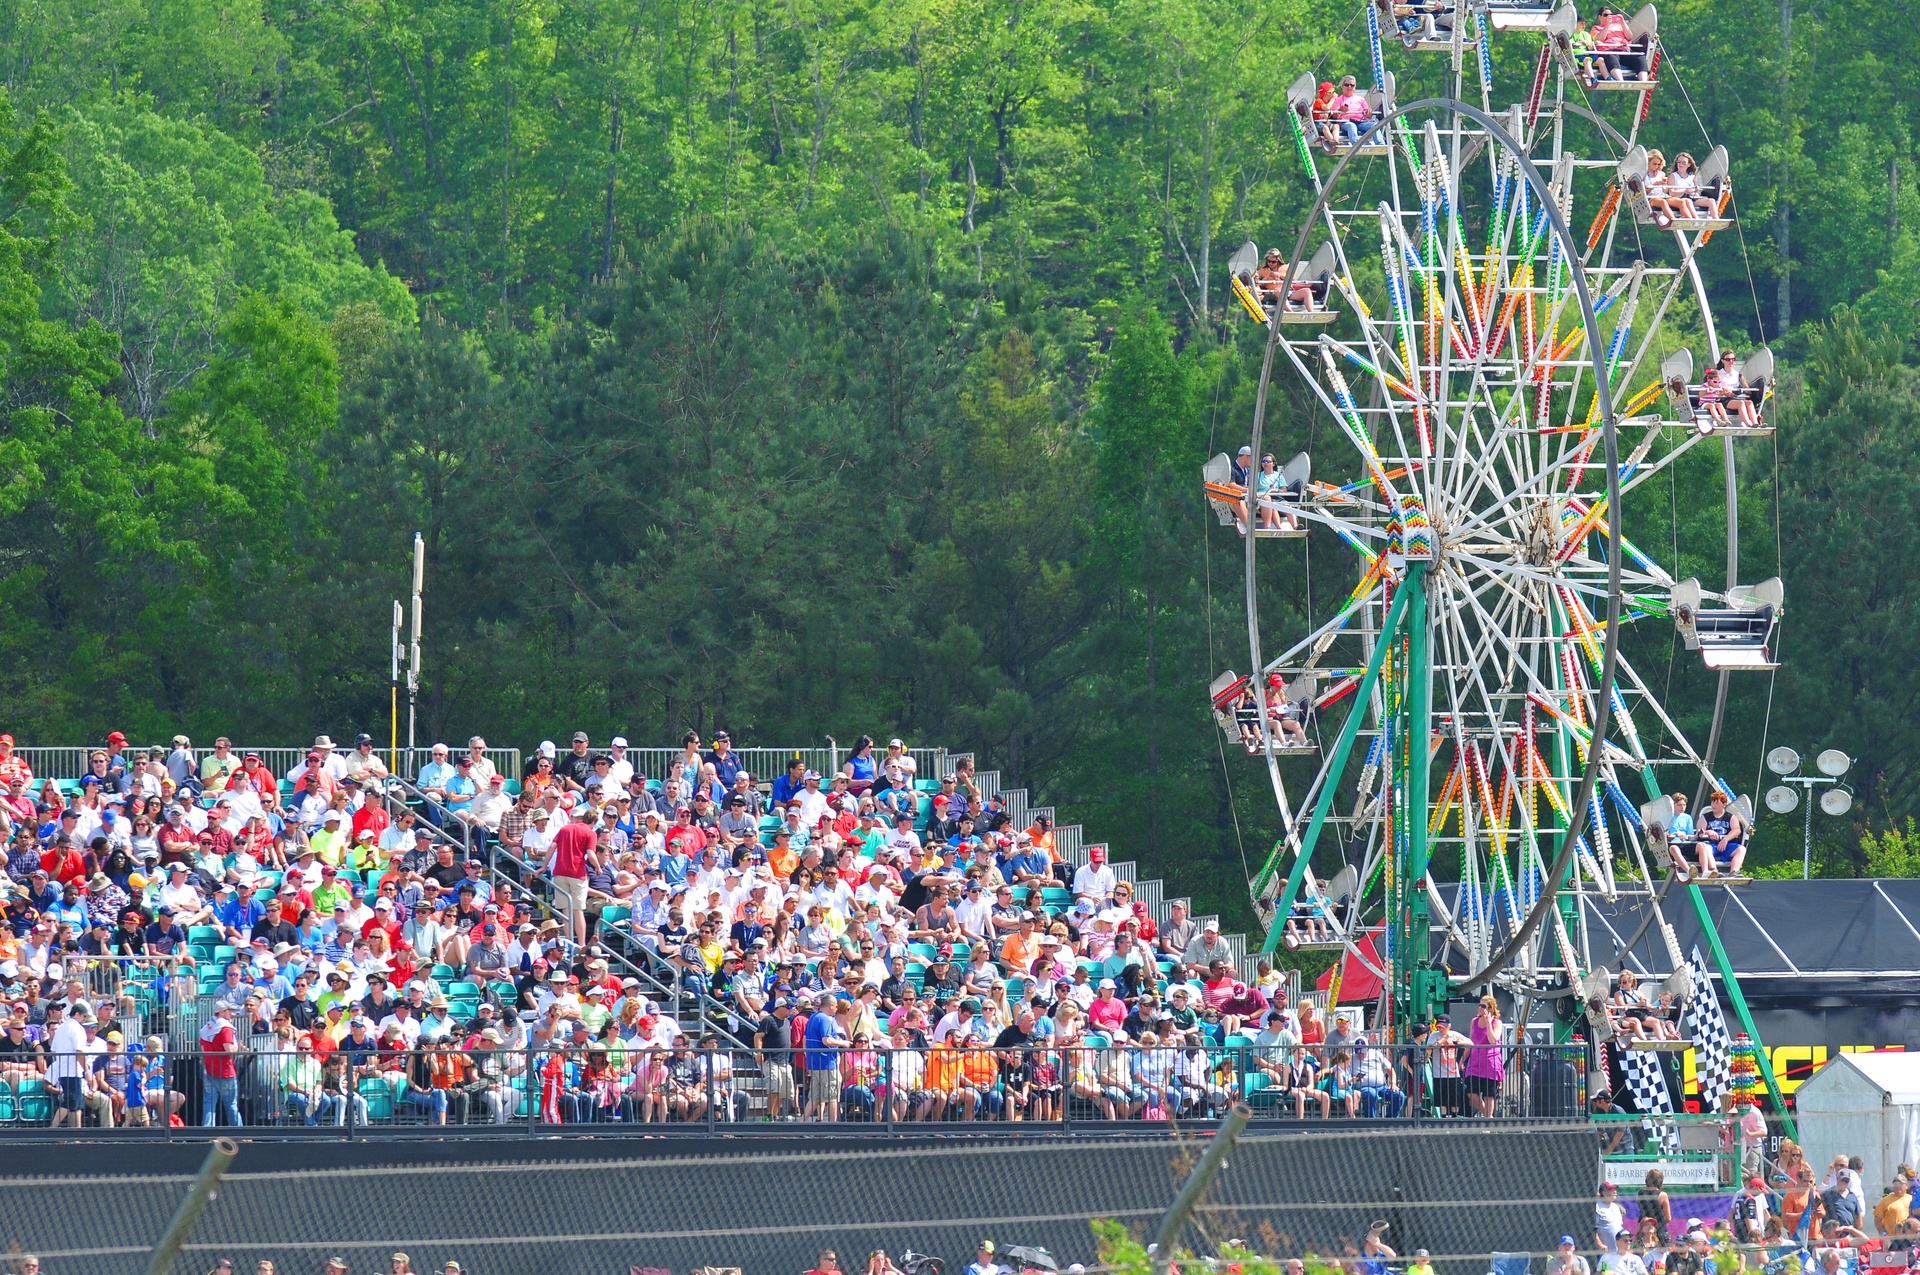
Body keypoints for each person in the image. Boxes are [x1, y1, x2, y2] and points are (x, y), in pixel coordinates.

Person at [1694, 789, 1749, 877]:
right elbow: (1700, 831)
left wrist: (1725, 839)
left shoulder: (1731, 817)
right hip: (1711, 844)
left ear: (1724, 804)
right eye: (1712, 803)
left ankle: (1734, 871)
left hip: (1726, 845)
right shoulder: (1706, 817)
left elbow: (1737, 830)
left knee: (1741, 849)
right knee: (1706, 848)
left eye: (1717, 803)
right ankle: (1713, 870)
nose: (1713, 805)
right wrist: (1708, 832)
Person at [1701, 351, 1761, 431]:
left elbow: (1747, 389)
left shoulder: (1737, 374)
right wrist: (1724, 392)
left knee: (1749, 402)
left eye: (1733, 359)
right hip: (1724, 398)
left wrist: (1747, 391)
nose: (1731, 361)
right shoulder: (1719, 374)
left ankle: (1755, 423)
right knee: (1740, 403)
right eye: (1728, 359)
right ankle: (1748, 424)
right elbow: (1713, 385)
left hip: (1734, 397)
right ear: (1723, 361)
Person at [1330, 77, 1374, 147]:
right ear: (1342, 86)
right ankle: (1356, 145)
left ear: (1354, 87)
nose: (1349, 87)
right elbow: (1334, 117)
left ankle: (1381, 143)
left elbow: (1367, 114)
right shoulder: (1339, 100)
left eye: (1352, 85)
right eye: (1347, 85)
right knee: (1351, 126)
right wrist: (1340, 110)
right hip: (1346, 122)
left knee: (1374, 126)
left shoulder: (1361, 99)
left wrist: (1369, 112)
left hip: (1360, 122)